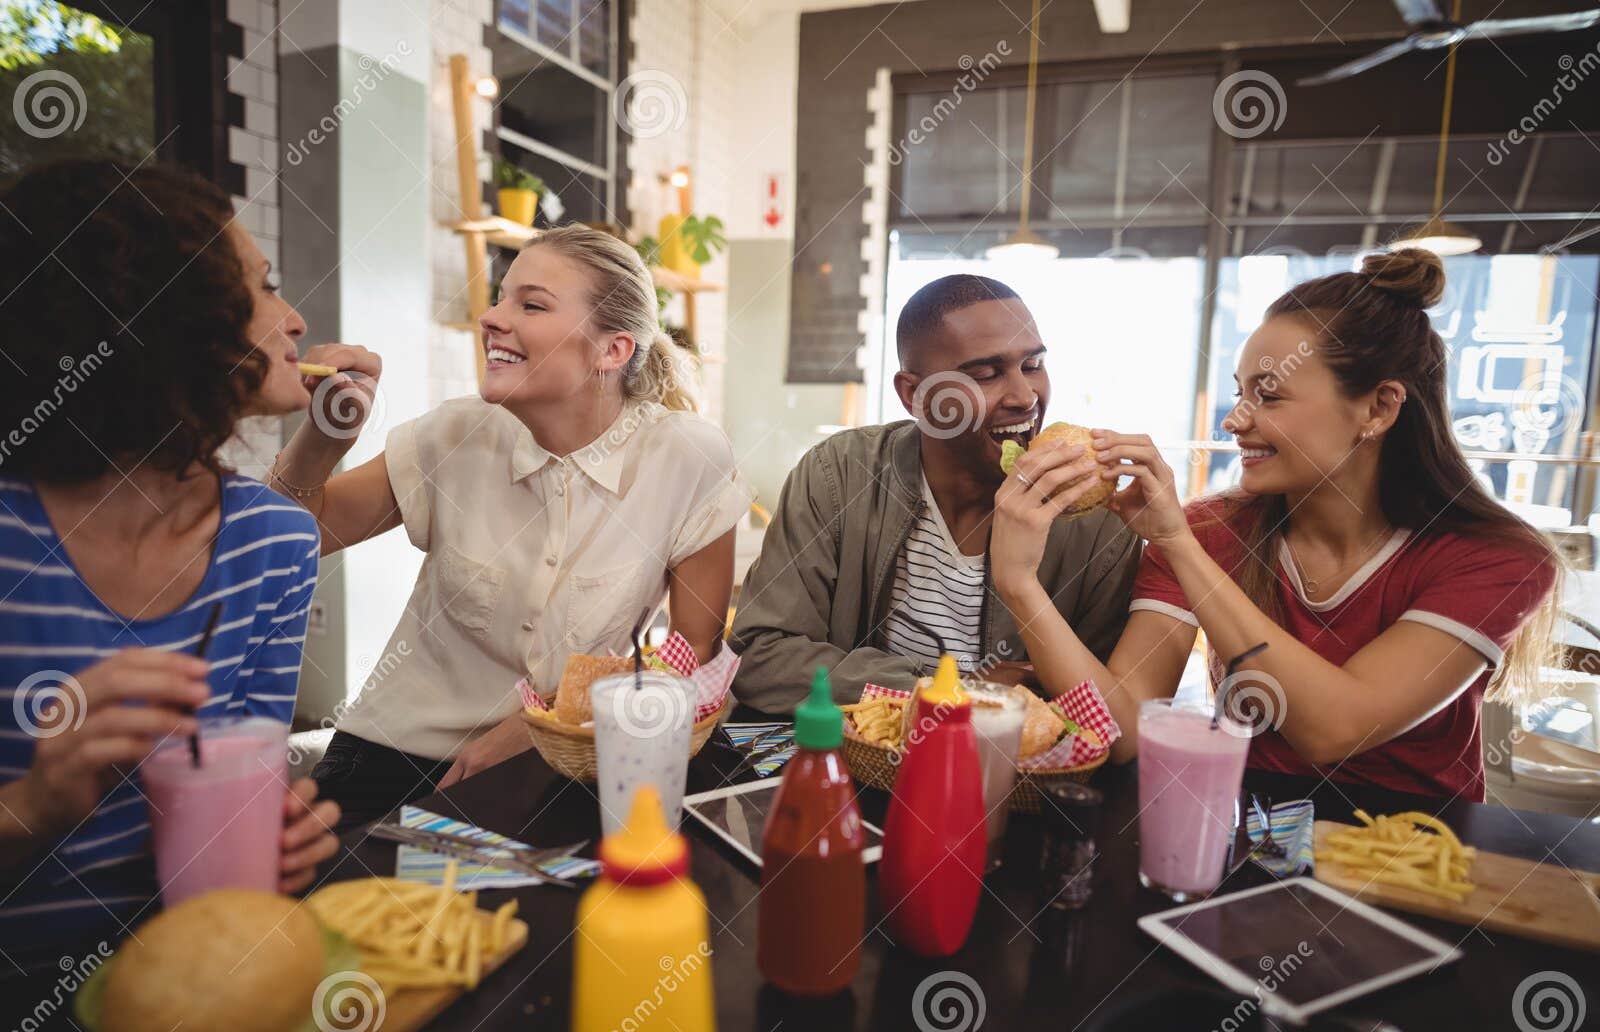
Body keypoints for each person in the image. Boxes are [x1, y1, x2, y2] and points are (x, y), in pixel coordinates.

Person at [989, 248, 1559, 799]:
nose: (1236, 420)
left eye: (1270, 396)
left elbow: (1334, 728)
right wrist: (1019, 583)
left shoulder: (1498, 559)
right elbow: (1123, 732)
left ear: (1379, 407)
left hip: (1410, 849)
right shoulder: (1207, 532)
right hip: (1250, 835)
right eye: (1240, 393)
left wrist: (1179, 546)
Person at [271, 225, 750, 825]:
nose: (492, 318)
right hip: (394, 752)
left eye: (531, 305)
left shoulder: (687, 456)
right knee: (326, 879)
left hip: (574, 752)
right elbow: (283, 543)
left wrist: (535, 725)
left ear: (612, 351)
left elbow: (692, 651)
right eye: (500, 298)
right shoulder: (453, 434)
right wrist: (323, 438)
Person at [0, 160, 342, 978]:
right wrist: (31, 807)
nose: (295, 319)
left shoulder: (275, 542)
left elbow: (236, 780)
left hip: (197, 967)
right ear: (168, 320)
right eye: (262, 288)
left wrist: (266, 834)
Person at [730, 274, 1142, 713]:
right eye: (986, 374)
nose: (1025, 397)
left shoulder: (1096, 518)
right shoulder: (840, 474)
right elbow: (760, 655)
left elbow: (1104, 715)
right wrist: (949, 692)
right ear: (915, 394)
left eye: (1033, 365)